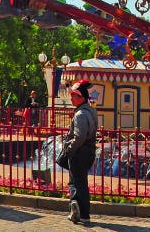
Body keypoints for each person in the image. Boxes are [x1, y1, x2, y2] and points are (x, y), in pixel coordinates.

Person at [64, 80, 99, 225]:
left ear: (82, 98)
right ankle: (77, 210)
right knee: (80, 182)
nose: (72, 98)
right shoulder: (91, 111)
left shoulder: (80, 115)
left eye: (74, 96)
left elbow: (79, 137)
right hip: (88, 152)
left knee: (77, 183)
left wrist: (69, 149)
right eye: (71, 95)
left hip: (79, 152)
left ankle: (82, 212)